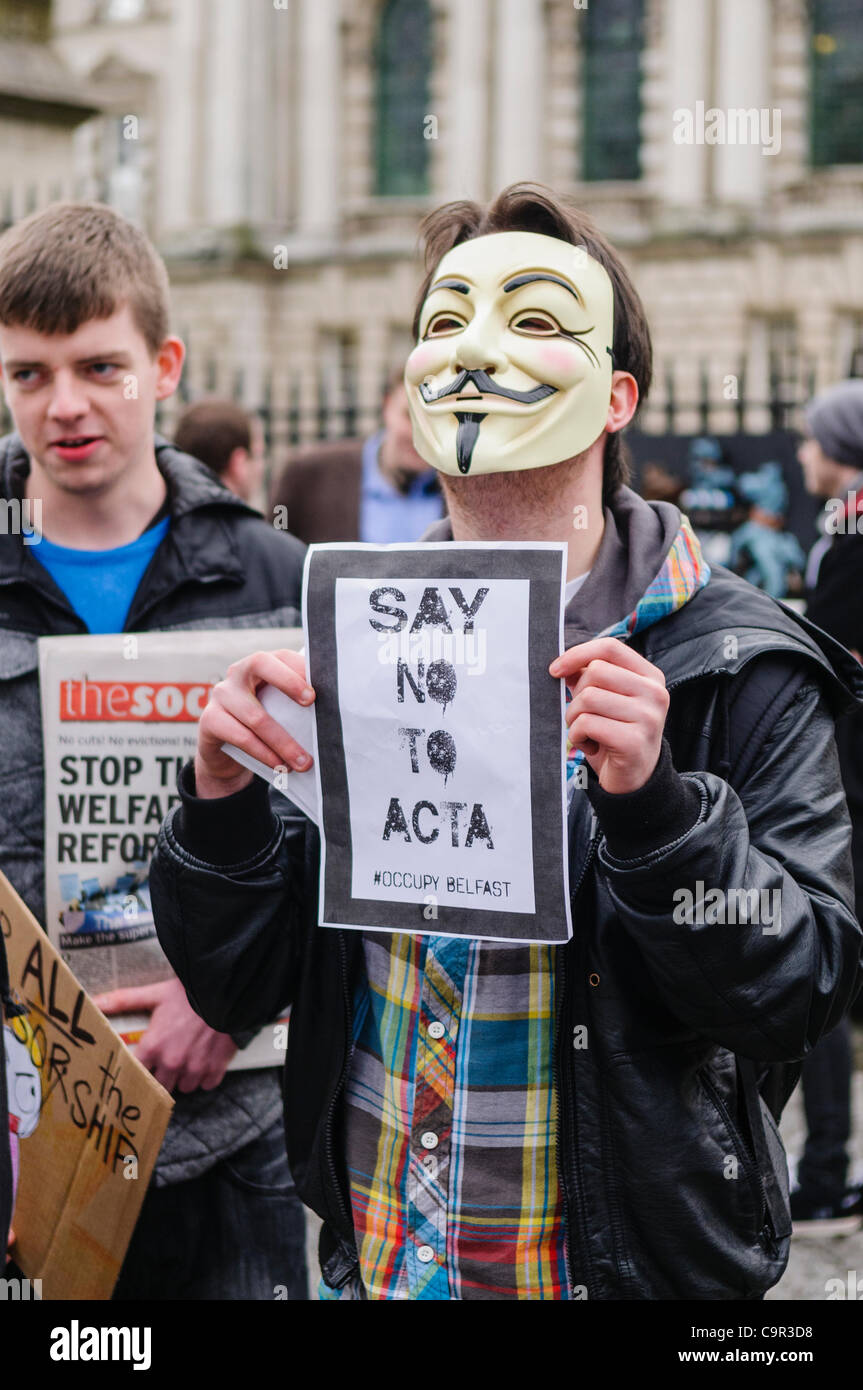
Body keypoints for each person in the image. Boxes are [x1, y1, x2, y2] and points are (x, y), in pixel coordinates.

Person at [151, 183, 863, 1300]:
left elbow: (801, 986)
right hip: (381, 1270)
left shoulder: (738, 665)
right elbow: (235, 982)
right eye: (442, 324)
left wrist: (659, 817)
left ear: (617, 395)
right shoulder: (347, 641)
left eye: (532, 322)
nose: (473, 353)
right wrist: (223, 806)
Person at [0, 201, 308, 1300]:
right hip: (25, 1142)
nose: (65, 405)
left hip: (236, 1132)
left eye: (99, 365)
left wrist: (224, 1001)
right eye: (29, 374)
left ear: (164, 364)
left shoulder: (272, 574)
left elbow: (333, 848)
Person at [791, 379, 863, 1235]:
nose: (801, 452)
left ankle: (823, 1175)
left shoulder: (849, 529)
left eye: (811, 439)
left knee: (819, 976)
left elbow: (834, 663)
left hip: (846, 786)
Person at [270, 368, 444, 544]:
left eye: (436, 420)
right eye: (410, 416)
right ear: (387, 406)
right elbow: (276, 536)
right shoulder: (308, 472)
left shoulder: (461, 489)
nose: (420, 433)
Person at [174, 398, 266, 504]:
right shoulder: (247, 520)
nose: (261, 466)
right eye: (258, 455)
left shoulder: (161, 516)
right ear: (239, 462)